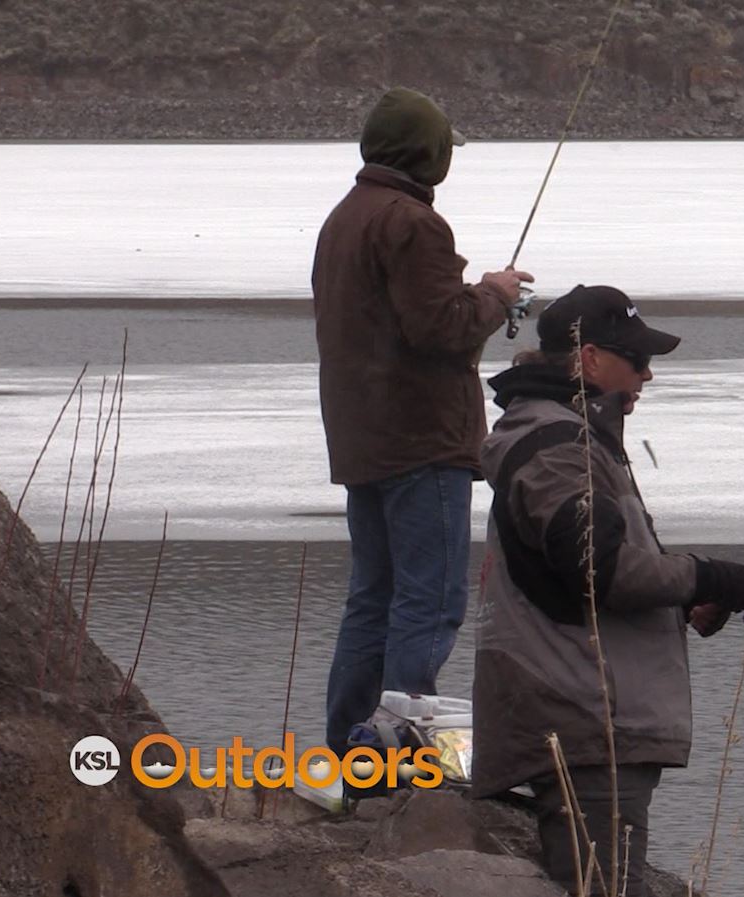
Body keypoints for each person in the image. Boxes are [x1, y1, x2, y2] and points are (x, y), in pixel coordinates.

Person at [470, 285, 744, 894]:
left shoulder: (576, 438)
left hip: (589, 715)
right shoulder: (560, 449)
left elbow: (573, 581)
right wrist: (707, 575)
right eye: (637, 360)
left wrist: (680, 601)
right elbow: (599, 571)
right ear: (590, 360)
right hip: (585, 721)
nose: (648, 375)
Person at [311, 86, 532, 764]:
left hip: (363, 439)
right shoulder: (413, 224)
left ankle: (351, 752)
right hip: (419, 442)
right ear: (428, 154)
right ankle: (401, 751)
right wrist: (494, 294)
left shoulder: (344, 217)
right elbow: (441, 328)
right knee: (428, 601)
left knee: (371, 599)